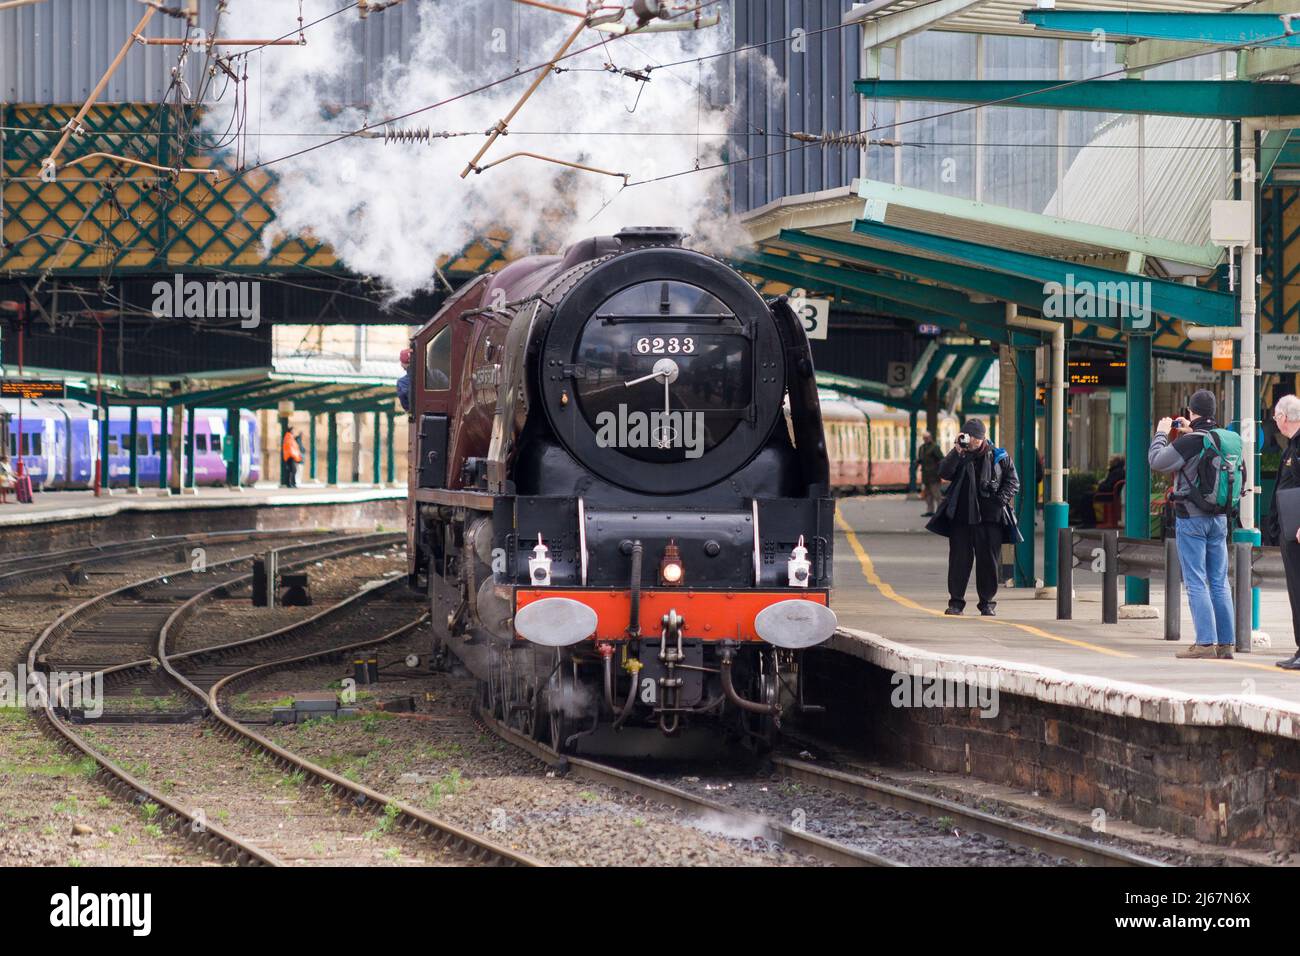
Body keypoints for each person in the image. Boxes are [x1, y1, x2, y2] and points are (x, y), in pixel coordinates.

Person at [1148, 389, 1235, 659]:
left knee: (1196, 581)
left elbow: (1156, 461)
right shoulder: (1223, 439)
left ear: (1190, 412)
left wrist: (1162, 432)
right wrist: (1190, 431)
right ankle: (1226, 644)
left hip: (1192, 518)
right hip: (1220, 518)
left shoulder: (1190, 442)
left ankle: (1205, 644)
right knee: (1219, 581)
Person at [926, 417, 1021, 617]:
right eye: (970, 437)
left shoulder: (999, 456)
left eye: (977, 438)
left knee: (988, 563)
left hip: (990, 520)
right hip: (961, 518)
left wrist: (999, 501)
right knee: (958, 562)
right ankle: (956, 603)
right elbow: (944, 472)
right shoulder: (960, 455)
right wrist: (956, 451)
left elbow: (1013, 482)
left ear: (983, 437)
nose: (973, 442)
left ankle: (987, 603)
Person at [1267, 394, 1300, 670]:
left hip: (1298, 531)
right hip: (1290, 529)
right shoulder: (1292, 445)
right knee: (1295, 589)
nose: (1275, 422)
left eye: (1276, 417)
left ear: (1284, 417)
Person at [914, 431, 944, 517]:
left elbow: (941, 459)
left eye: (927, 437)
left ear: (930, 437)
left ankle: (940, 512)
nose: (926, 439)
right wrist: (917, 463)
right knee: (927, 494)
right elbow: (920, 459)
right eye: (924, 438)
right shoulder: (922, 448)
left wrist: (940, 470)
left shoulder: (935, 447)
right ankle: (930, 511)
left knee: (936, 494)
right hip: (925, 475)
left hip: (934, 475)